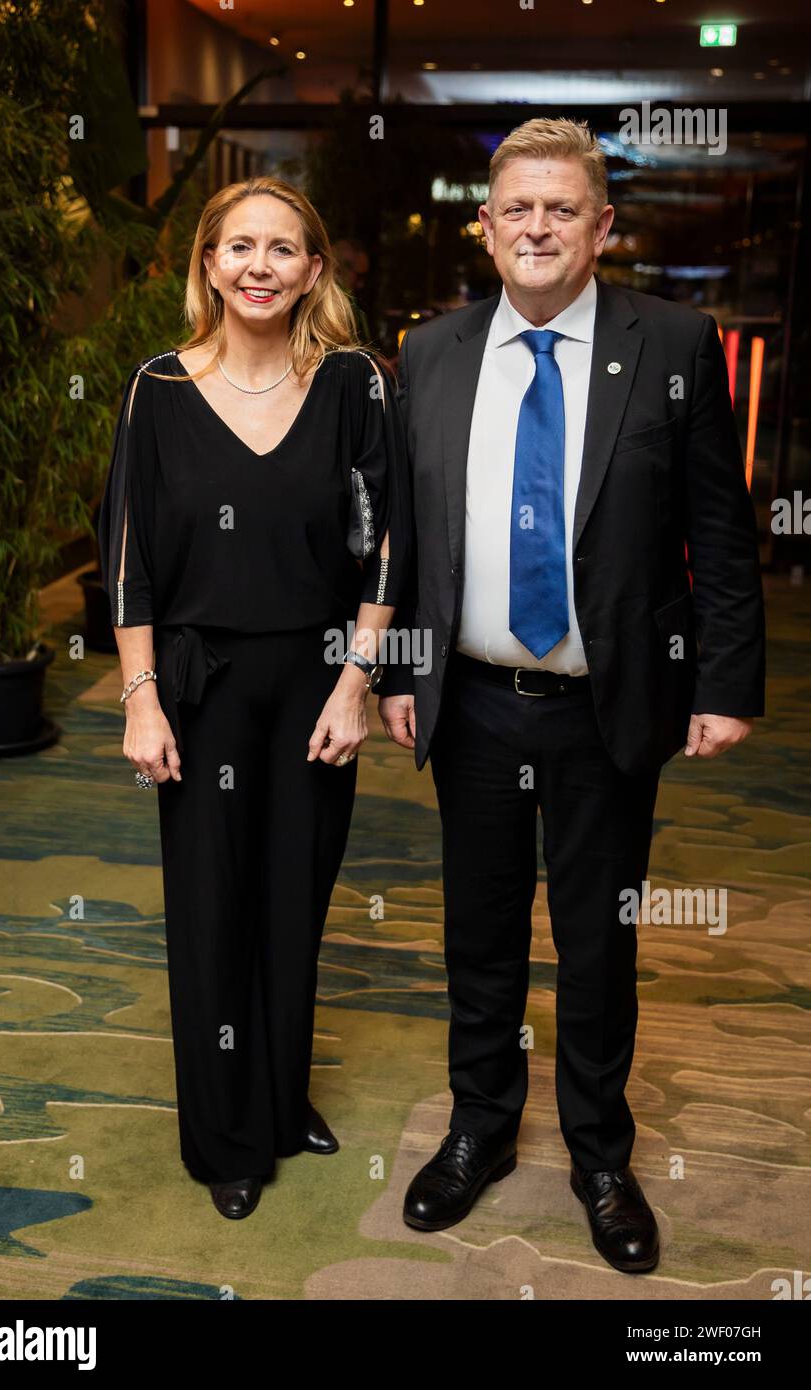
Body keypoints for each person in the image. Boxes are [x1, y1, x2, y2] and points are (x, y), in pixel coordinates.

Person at [377, 118, 765, 1273]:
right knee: (479, 937)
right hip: (477, 702)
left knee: (598, 944)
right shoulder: (431, 351)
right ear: (485, 227)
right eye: (516, 208)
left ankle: (599, 1154)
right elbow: (404, 537)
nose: (536, 226)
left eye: (561, 209)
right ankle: (478, 1133)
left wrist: (724, 681)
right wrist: (403, 671)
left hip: (610, 706)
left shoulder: (675, 342)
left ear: (602, 227)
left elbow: (720, 533)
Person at [97, 176, 411, 1220]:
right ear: (209, 264)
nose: (260, 266)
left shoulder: (355, 385)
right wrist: (141, 699)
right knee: (212, 909)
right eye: (240, 247)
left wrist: (358, 681)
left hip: (319, 683)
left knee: (293, 899)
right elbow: (129, 562)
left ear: (315, 270)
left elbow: (382, 550)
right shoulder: (157, 388)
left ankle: (279, 1101)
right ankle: (227, 1136)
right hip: (201, 685)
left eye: (284, 248)